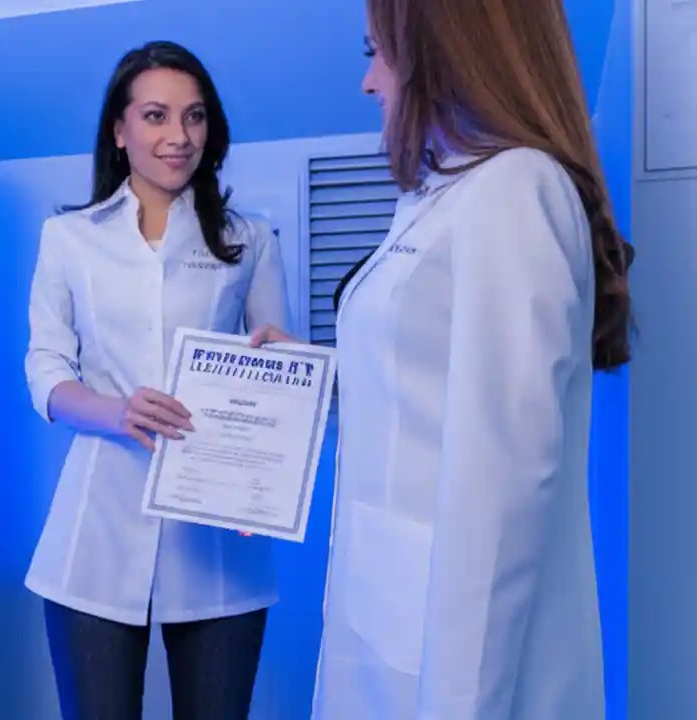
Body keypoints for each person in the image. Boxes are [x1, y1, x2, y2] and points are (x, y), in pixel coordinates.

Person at [248, 0, 635, 718]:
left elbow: (502, 489)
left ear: (445, 50)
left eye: (379, 51)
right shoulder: (442, 194)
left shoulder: (515, 189)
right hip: (387, 630)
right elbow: (429, 383)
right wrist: (312, 372)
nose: (370, 82)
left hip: (451, 667)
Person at [23, 40, 290, 719]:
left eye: (194, 117)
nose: (179, 136)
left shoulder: (249, 240)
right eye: (155, 116)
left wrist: (274, 421)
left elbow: (275, 366)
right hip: (96, 537)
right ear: (119, 130)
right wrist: (118, 413)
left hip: (217, 534)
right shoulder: (70, 238)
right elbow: (46, 369)